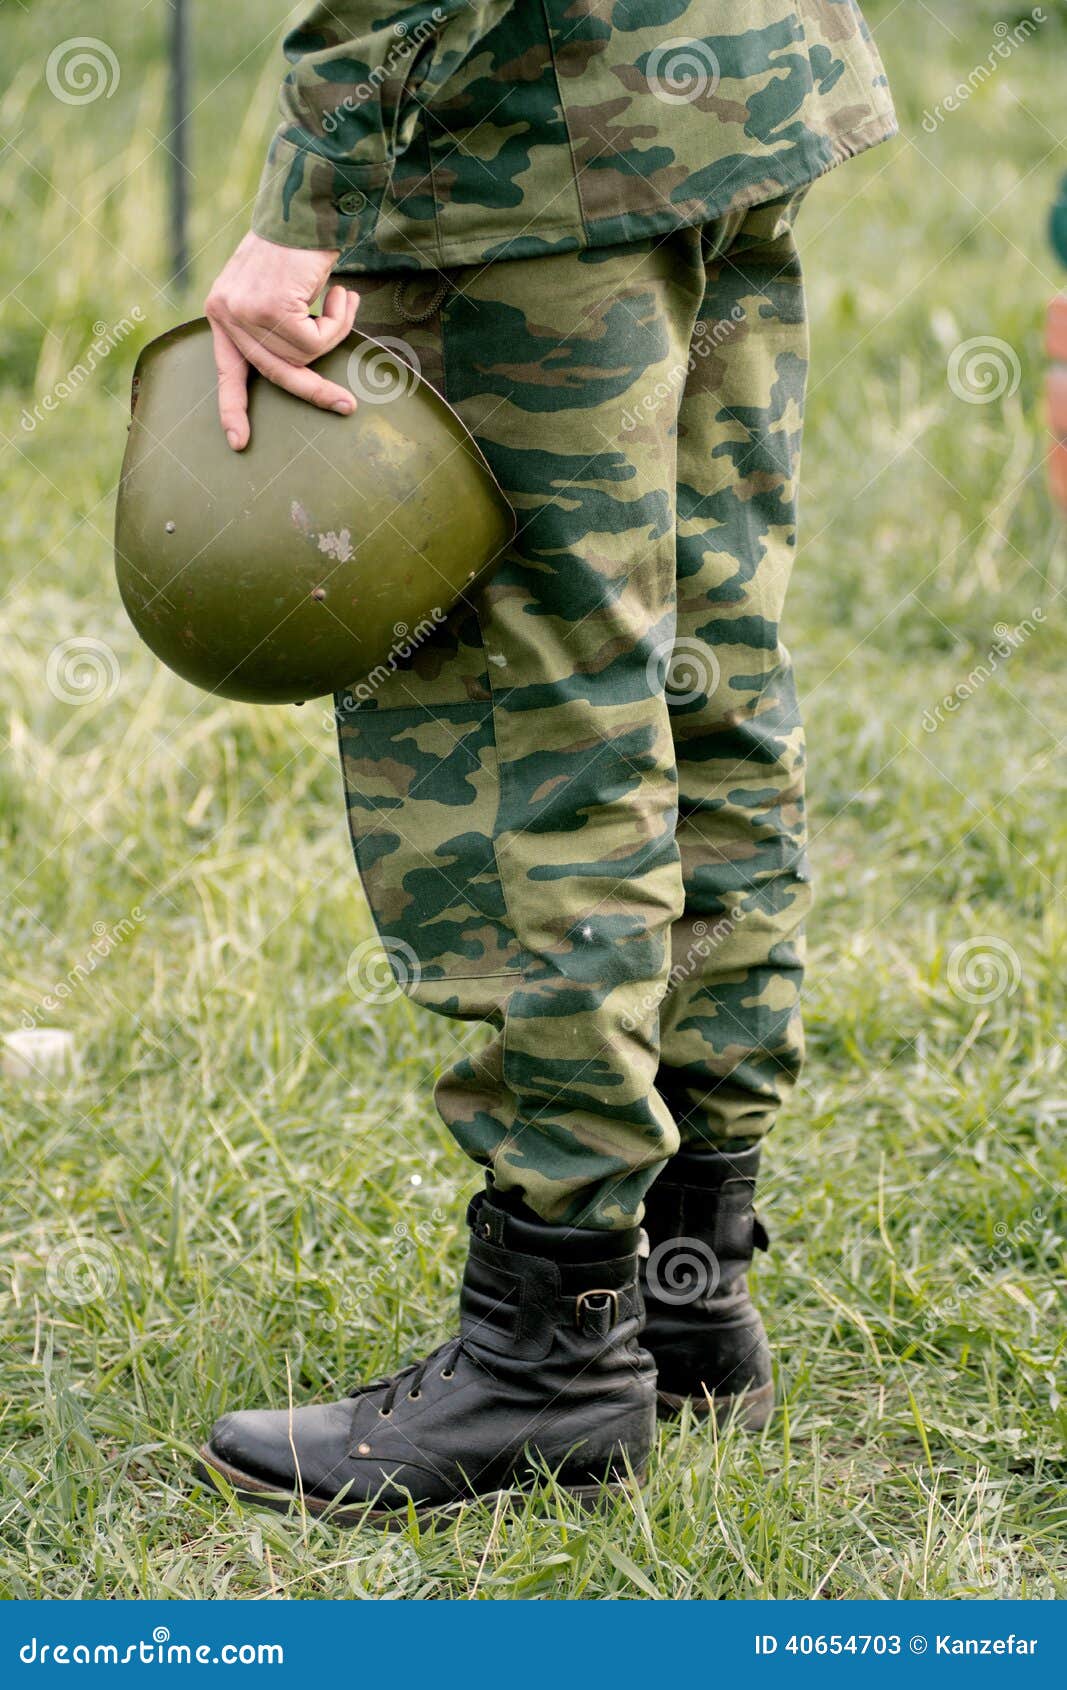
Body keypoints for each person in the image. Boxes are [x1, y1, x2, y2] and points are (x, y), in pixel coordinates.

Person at [197, 1, 896, 1522]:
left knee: (533, 700)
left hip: (535, 120)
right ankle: (685, 1276)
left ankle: (555, 1340)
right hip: (737, 77)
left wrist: (313, 190)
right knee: (703, 649)